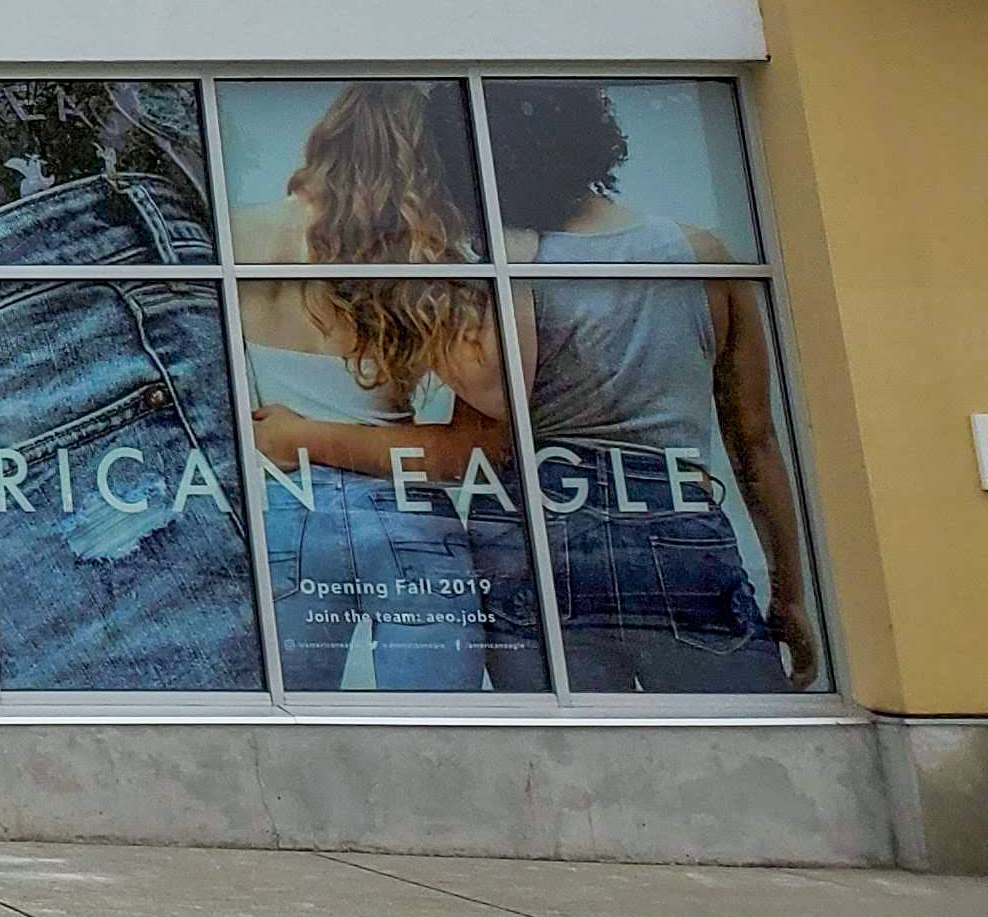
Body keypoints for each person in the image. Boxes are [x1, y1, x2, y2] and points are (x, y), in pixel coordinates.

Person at [487, 81, 819, 691]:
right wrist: (791, 592)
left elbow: (490, 421)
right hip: (676, 513)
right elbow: (755, 440)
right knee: (736, 754)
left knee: (567, 764)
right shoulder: (700, 254)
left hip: (547, 514)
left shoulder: (509, 266)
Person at [245, 81, 542, 688]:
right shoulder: (426, 262)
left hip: (278, 507)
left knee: (276, 730)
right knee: (439, 735)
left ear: (329, 137)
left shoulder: (240, 236)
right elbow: (482, 435)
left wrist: (295, 437)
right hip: (404, 505)